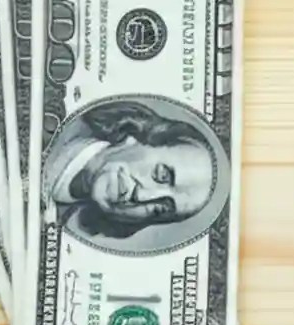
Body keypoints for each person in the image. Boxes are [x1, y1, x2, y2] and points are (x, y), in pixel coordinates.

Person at [44, 99, 217, 241]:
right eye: (162, 175)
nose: (143, 197)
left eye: (160, 209)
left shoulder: (50, 235)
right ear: (134, 135)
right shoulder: (50, 122)